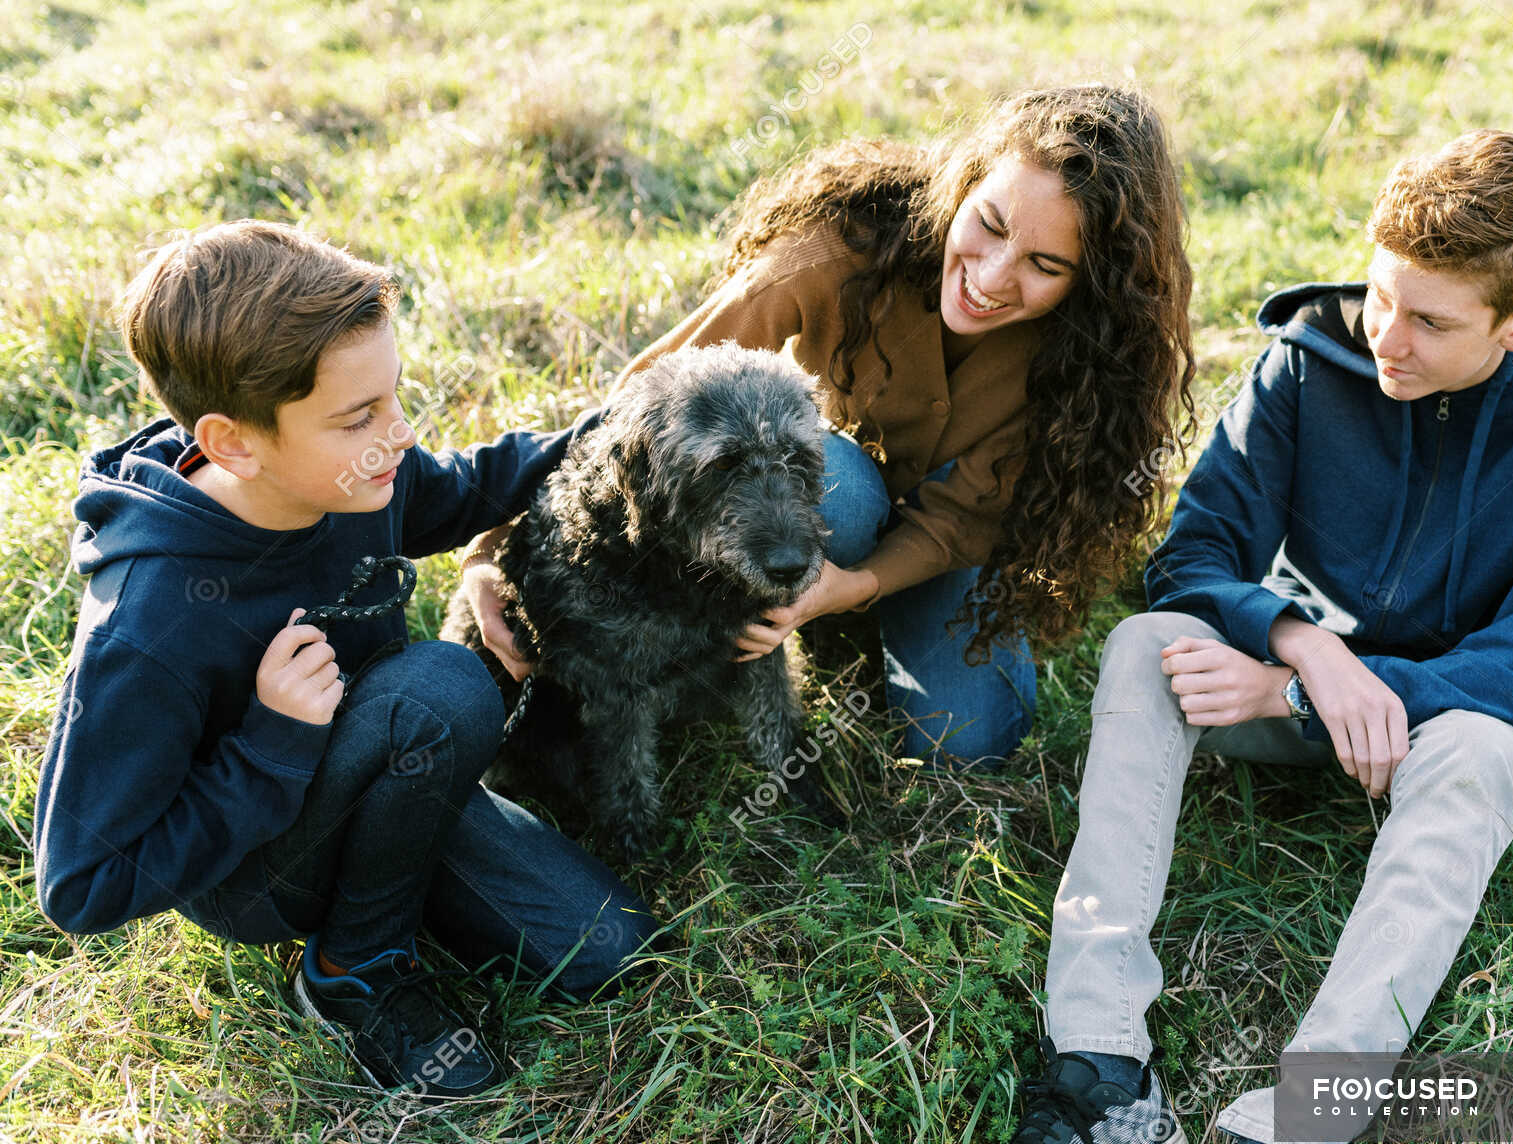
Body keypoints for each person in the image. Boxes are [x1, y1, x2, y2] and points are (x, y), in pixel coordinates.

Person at [967, 130, 1513, 1144]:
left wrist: (1303, 690)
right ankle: (1100, 1078)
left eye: (1433, 321)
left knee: (1485, 748)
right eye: (1383, 296)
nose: (1389, 337)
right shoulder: (1310, 354)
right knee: (1144, 647)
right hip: (1301, 681)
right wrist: (1301, 650)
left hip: (1439, 723)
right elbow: (1191, 556)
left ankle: (1299, 1124)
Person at [33, 220, 658, 1099]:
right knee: (439, 685)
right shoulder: (147, 626)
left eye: (393, 397)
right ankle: (352, 969)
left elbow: (470, 489)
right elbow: (80, 885)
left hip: (395, 766)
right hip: (264, 866)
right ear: (236, 443)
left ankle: (401, 856)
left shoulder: (357, 472)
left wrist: (630, 423)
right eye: (359, 415)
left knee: (606, 949)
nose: (397, 434)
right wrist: (268, 746)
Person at [462, 85, 1196, 767]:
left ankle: (838, 614)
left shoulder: (1085, 362)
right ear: (963, 184)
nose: (993, 276)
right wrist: (494, 547)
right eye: (990, 224)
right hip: (819, 504)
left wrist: (849, 586)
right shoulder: (841, 242)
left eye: (1043, 263)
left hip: (942, 548)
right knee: (838, 486)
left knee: (971, 743)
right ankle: (781, 597)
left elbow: (961, 521)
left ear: (1089, 280)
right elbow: (645, 401)